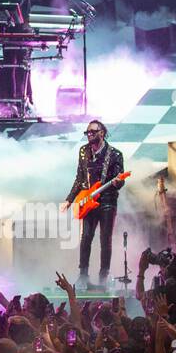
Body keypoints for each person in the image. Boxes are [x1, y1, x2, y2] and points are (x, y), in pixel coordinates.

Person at [60, 120, 125, 288]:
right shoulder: (83, 151)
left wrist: (117, 182)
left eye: (93, 131)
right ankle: (83, 275)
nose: (89, 134)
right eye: (87, 132)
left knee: (105, 238)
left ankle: (104, 276)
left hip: (107, 201)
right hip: (88, 201)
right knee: (86, 237)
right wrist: (69, 199)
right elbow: (80, 178)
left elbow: (119, 180)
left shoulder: (115, 154)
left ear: (102, 133)